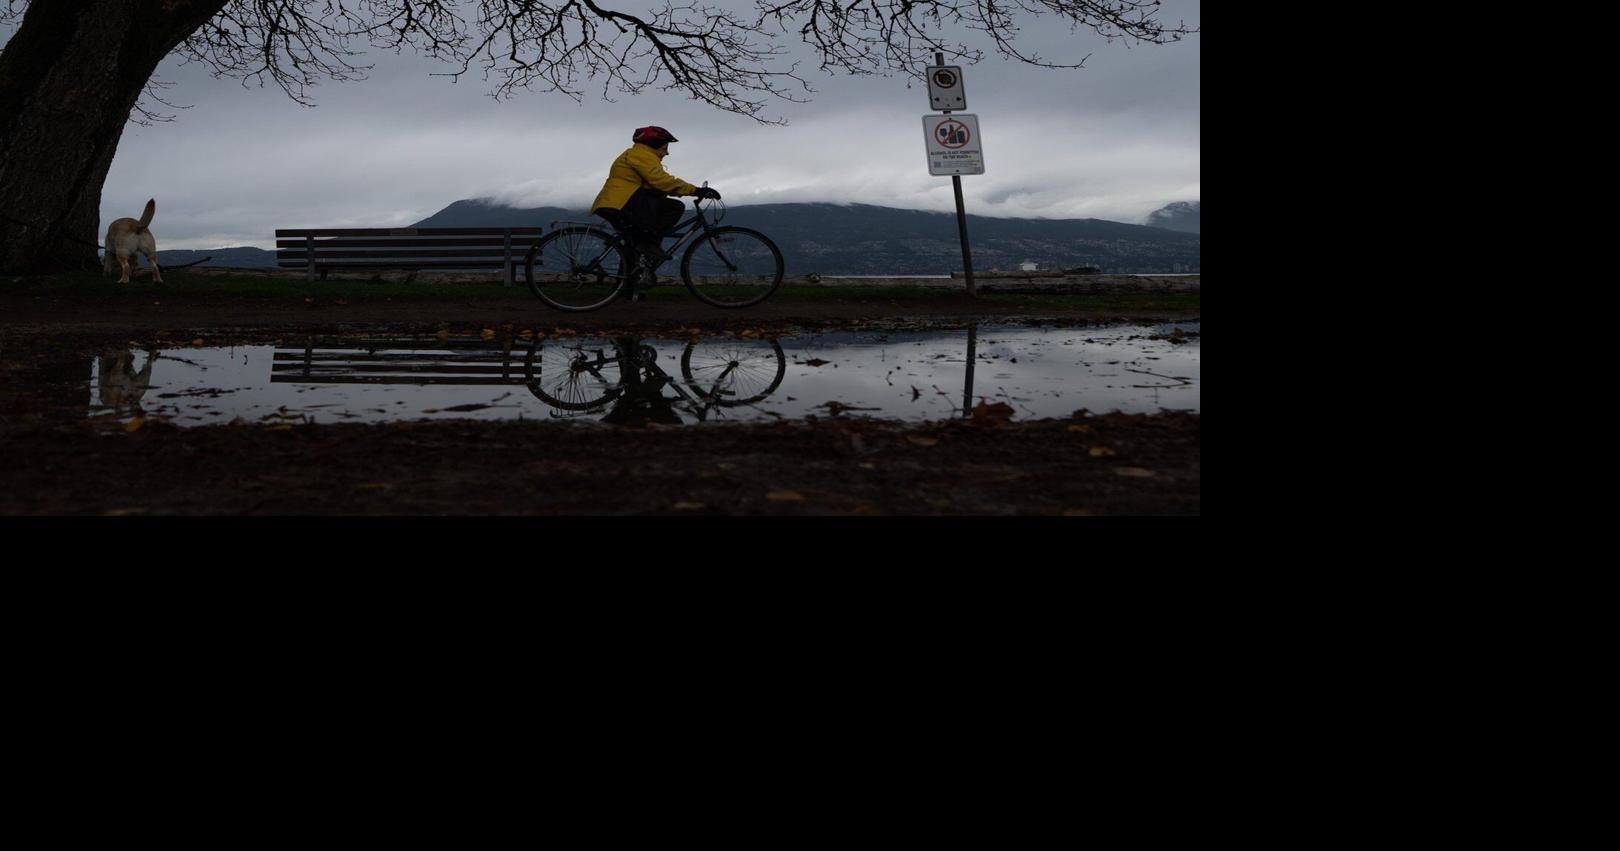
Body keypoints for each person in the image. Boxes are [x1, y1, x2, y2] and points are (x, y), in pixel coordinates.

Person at [590, 126, 721, 281]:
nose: (667, 152)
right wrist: (696, 191)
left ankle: (629, 286)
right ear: (654, 143)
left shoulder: (638, 155)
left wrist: (684, 190)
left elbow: (655, 186)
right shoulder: (641, 155)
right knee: (674, 207)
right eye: (665, 147)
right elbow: (661, 181)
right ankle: (650, 244)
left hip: (616, 203)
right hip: (622, 203)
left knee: (634, 245)